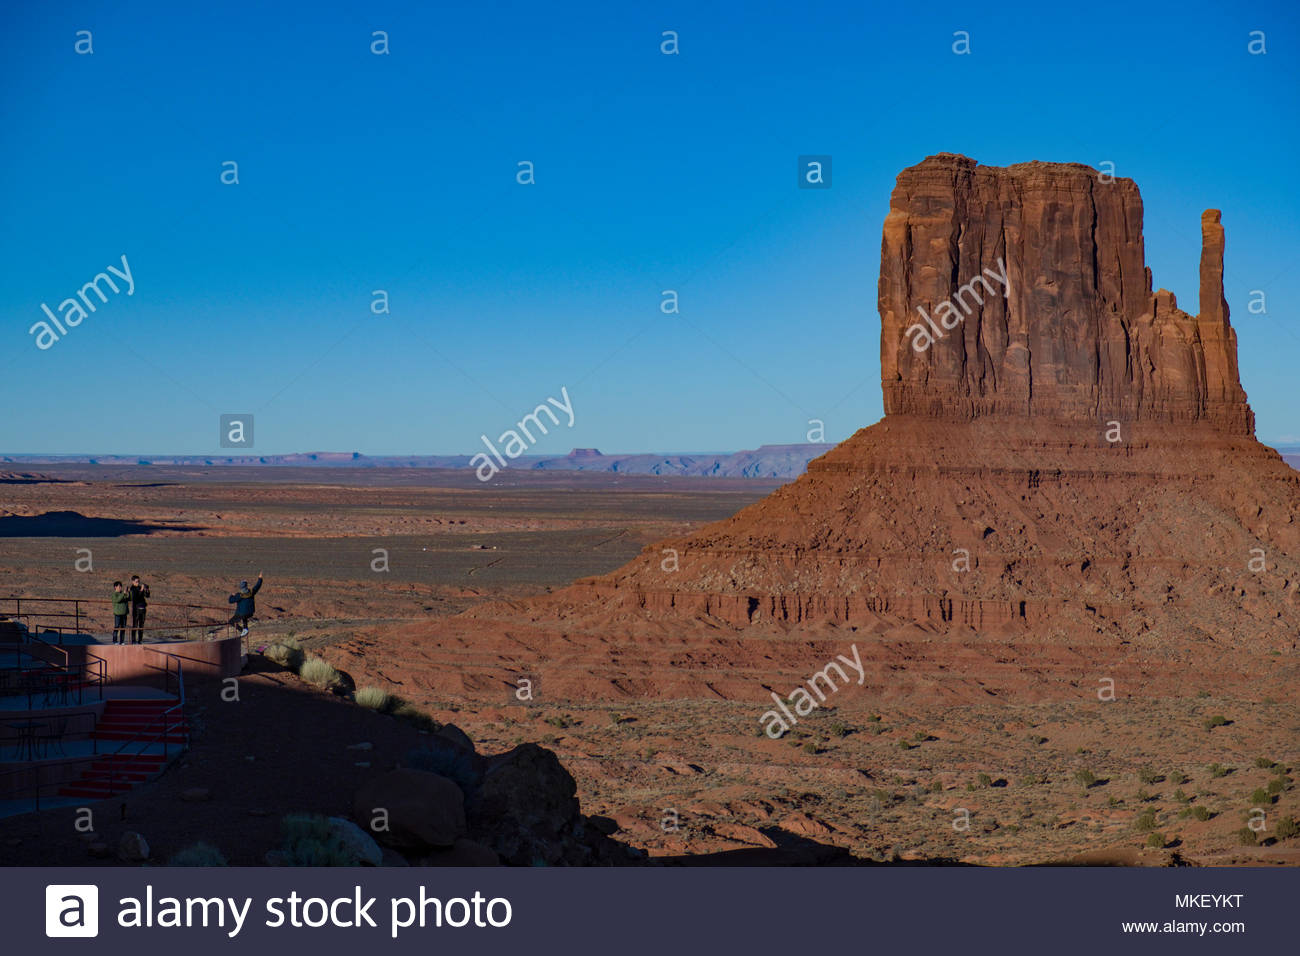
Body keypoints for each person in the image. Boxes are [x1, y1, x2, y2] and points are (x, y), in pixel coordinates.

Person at [127, 574, 150, 644]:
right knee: (135, 625)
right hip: (136, 609)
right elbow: (136, 598)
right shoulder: (132, 589)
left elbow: (147, 596)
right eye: (136, 581)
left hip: (143, 608)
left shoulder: (140, 587)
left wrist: (147, 590)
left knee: (141, 625)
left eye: (139, 581)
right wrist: (141, 590)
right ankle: (133, 640)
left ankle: (140, 640)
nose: (138, 583)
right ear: (133, 582)